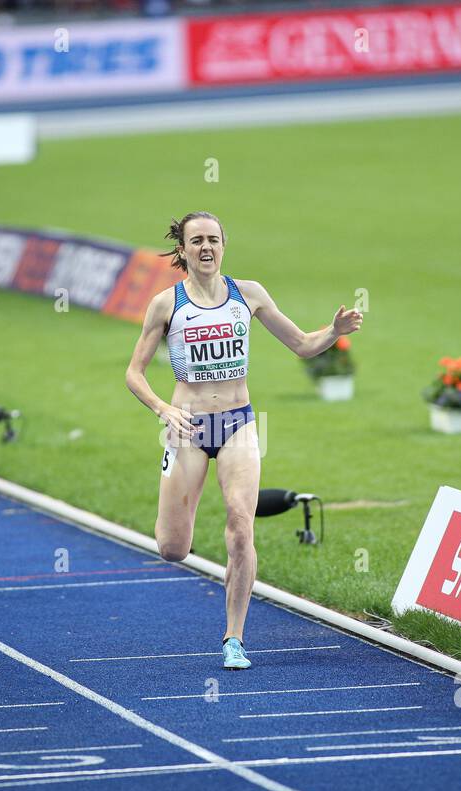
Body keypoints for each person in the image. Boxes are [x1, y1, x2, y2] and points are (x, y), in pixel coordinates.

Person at [125, 211, 363, 669]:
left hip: (239, 423)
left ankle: (234, 637)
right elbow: (134, 373)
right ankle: (190, 532)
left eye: (213, 239)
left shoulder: (247, 295)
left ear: (224, 244)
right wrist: (162, 409)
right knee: (172, 548)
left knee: (240, 523)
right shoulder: (165, 304)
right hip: (187, 428)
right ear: (183, 250)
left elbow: (300, 344)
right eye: (197, 241)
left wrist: (333, 331)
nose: (206, 248)